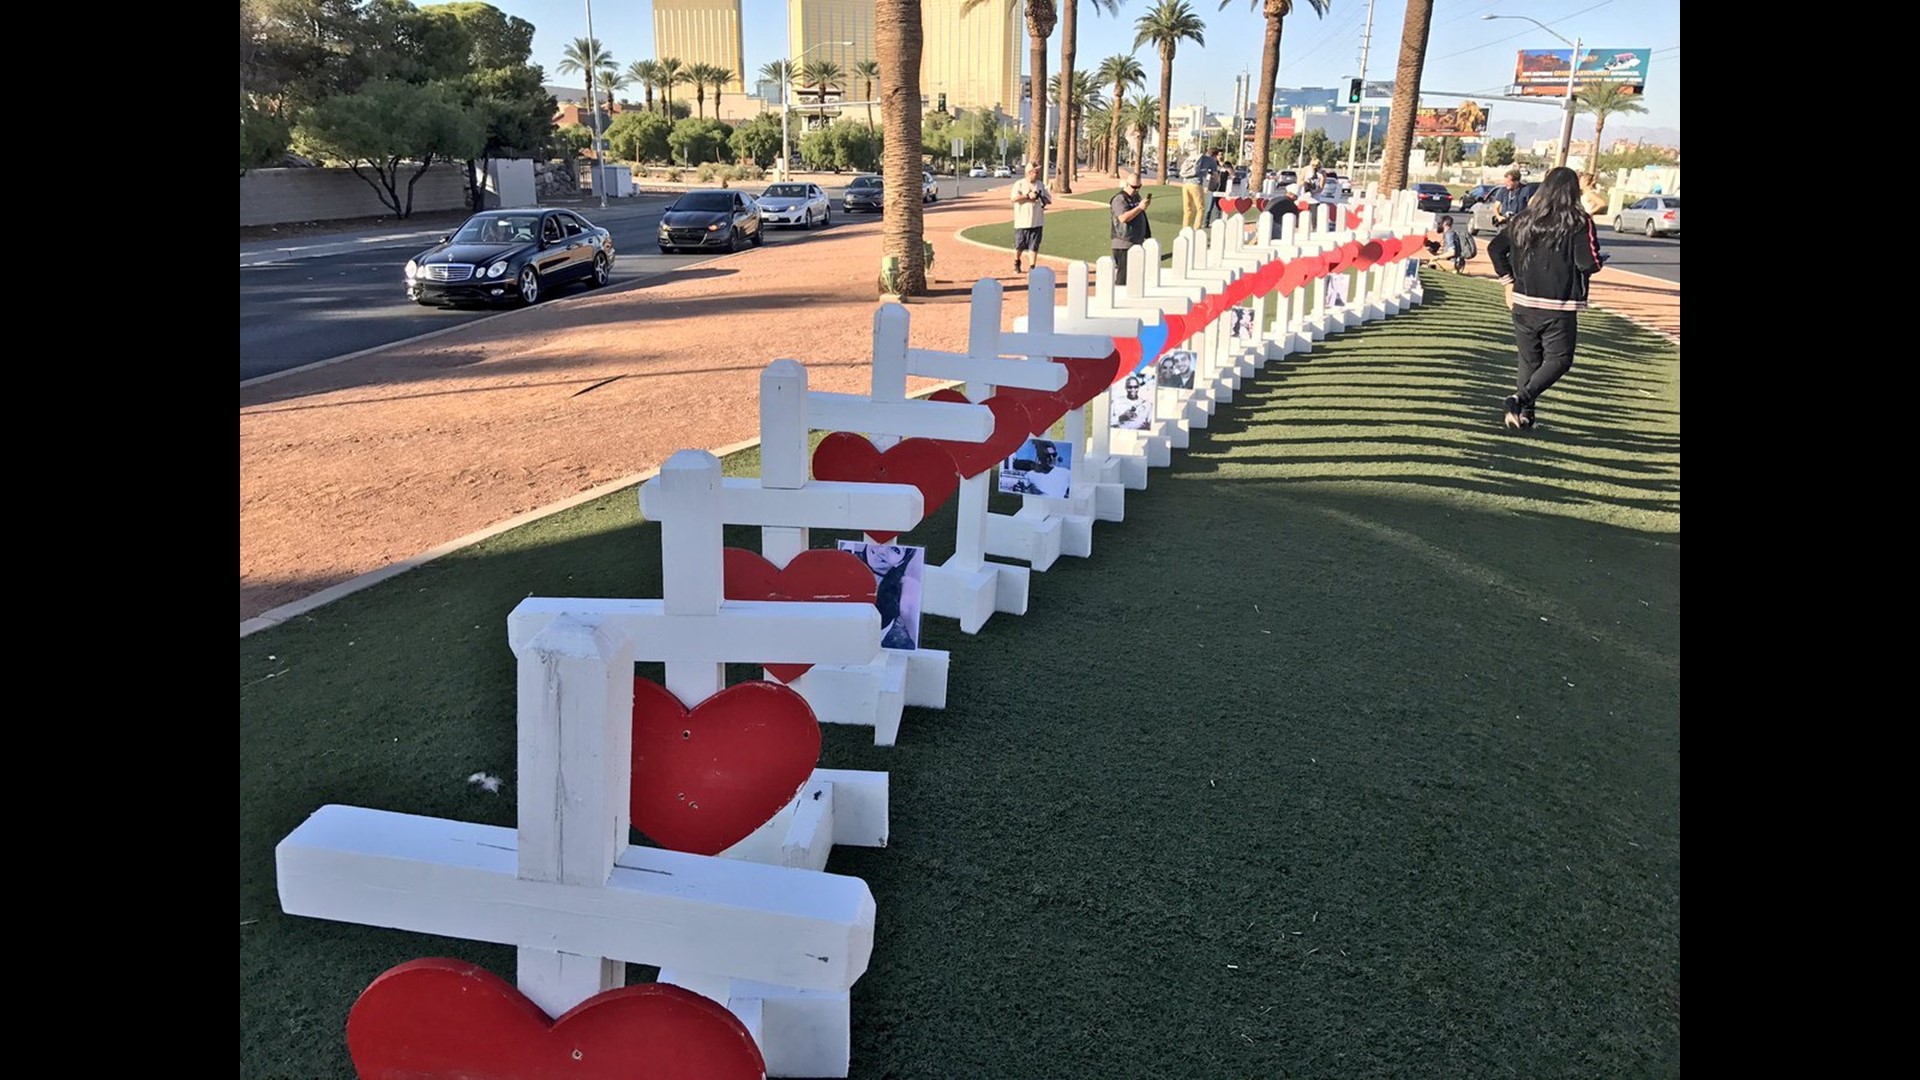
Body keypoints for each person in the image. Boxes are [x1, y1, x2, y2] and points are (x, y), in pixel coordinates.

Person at [1486, 166, 1606, 432]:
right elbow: (1589, 262)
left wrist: (1508, 281)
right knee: (1560, 360)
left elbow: (1495, 249)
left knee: (1529, 360)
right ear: (1573, 190)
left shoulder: (1523, 219)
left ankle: (1524, 416)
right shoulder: (1578, 222)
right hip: (1558, 305)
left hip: (1523, 301)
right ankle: (1521, 399)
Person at [845, 542, 923, 650]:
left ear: (900, 562)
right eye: (878, 542)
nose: (882, 551)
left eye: (895, 550)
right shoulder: (843, 568)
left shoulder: (900, 600)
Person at [1110, 172, 1153, 287]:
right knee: (1123, 278)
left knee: (1134, 277)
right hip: (1123, 243)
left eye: (1139, 187)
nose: (1136, 190)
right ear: (1126, 184)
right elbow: (1123, 218)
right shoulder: (1119, 199)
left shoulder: (1136, 197)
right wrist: (1139, 207)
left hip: (1137, 241)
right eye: (1133, 187)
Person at [1009, 163, 1051, 275]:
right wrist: (1028, 196)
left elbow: (1048, 200)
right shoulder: (1020, 184)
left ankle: (1032, 267)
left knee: (1034, 245)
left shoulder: (1040, 185)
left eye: (1038, 172)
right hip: (1022, 222)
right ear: (1029, 173)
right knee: (1019, 246)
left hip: (1037, 221)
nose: (1037, 174)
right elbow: (1014, 198)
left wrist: (1042, 198)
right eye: (1035, 172)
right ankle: (1017, 262)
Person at [1183, 148, 1220, 232]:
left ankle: (1185, 228)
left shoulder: (1197, 158)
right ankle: (1197, 228)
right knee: (1201, 208)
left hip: (1185, 184)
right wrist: (1216, 183)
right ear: (1215, 155)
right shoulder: (1211, 161)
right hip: (1196, 184)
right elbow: (1215, 176)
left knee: (1187, 209)